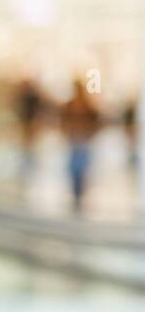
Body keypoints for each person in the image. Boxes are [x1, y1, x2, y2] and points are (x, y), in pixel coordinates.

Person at [60, 78, 101, 213]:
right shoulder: (70, 104)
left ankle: (81, 193)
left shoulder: (87, 104)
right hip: (74, 139)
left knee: (82, 168)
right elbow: (63, 120)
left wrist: (89, 133)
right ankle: (75, 193)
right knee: (73, 169)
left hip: (82, 140)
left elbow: (96, 120)